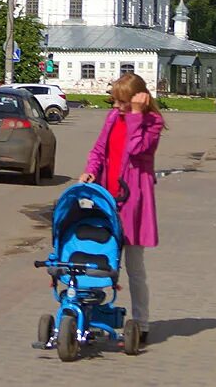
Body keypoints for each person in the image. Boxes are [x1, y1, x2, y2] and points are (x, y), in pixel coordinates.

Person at [79, 73, 163, 342]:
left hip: (133, 201)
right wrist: (90, 171)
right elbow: (98, 150)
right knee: (99, 260)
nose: (115, 107)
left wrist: (137, 114)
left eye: (121, 102)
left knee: (134, 266)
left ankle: (142, 321)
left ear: (137, 98)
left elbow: (137, 150)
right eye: (113, 101)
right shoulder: (113, 118)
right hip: (107, 198)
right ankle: (93, 313)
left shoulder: (152, 122)